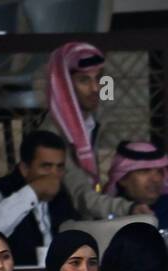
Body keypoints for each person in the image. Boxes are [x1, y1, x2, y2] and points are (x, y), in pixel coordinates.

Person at [39, 42, 152, 222]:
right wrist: (128, 208)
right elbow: (80, 195)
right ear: (64, 85)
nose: (95, 88)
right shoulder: (53, 133)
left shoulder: (89, 123)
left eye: (98, 78)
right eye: (84, 80)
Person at [0, 130, 78, 266]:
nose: (54, 175)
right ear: (24, 168)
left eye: (59, 167)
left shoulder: (61, 196)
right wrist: (33, 192)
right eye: (46, 166)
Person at [108, 139, 168, 254]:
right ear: (122, 179)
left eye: (159, 172)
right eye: (144, 171)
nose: (156, 179)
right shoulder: (109, 210)